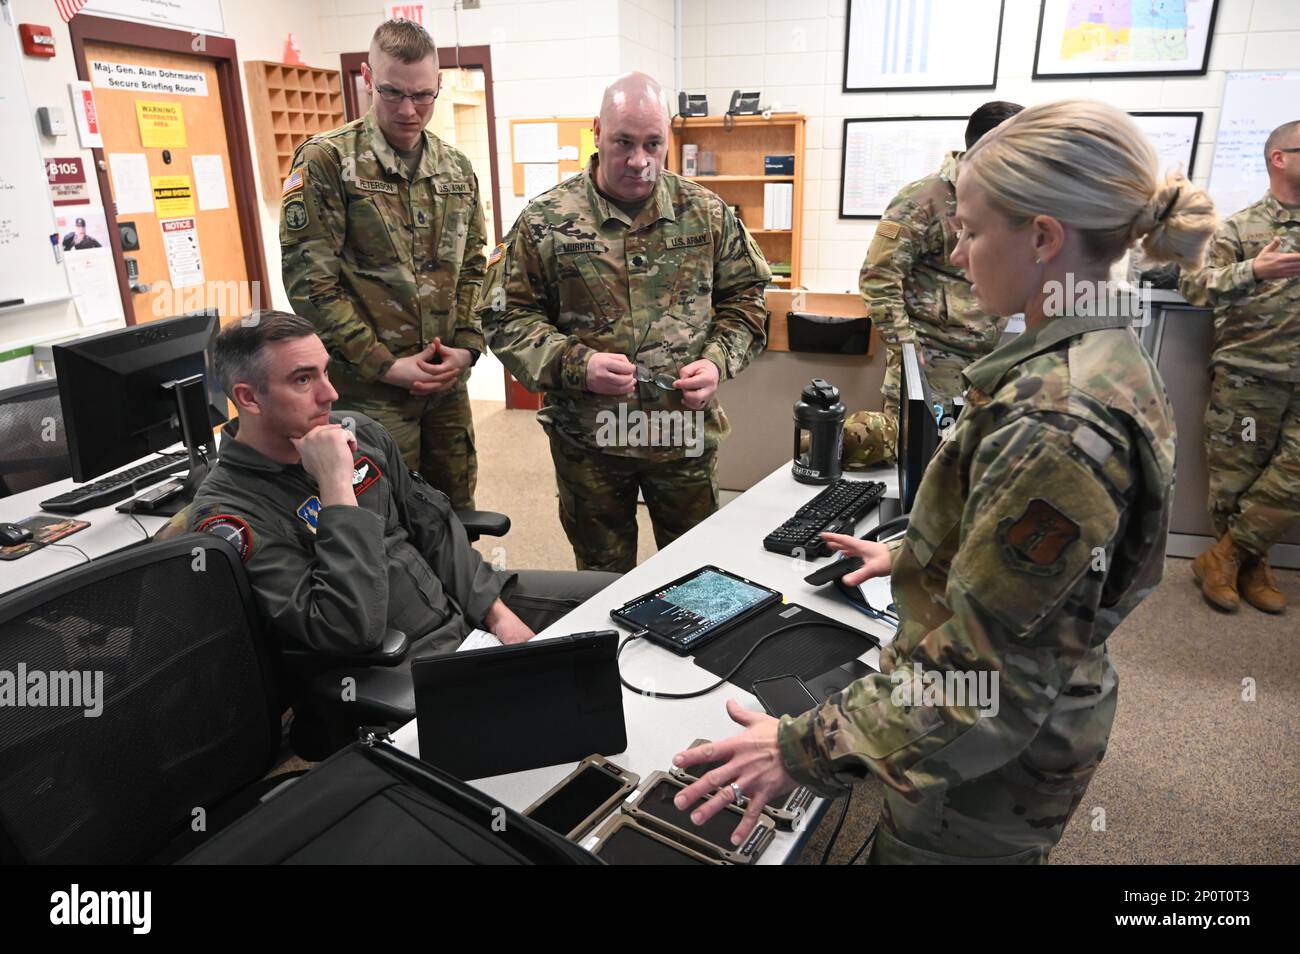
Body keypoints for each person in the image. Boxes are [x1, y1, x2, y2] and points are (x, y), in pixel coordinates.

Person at [673, 100, 1216, 864]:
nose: (958, 256)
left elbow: (983, 681)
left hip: (992, 767)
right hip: (1014, 724)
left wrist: (799, 750)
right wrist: (922, 556)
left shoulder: (1055, 421)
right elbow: (1054, 577)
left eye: (970, 232)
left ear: (1042, 237)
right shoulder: (1100, 353)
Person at [177, 311, 617, 656]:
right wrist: (336, 492)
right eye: (303, 379)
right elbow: (348, 629)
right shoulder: (230, 516)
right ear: (248, 397)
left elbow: (435, 526)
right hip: (404, 658)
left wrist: (496, 614)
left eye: (325, 372)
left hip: (463, 608)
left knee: (625, 602)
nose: (329, 395)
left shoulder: (361, 432)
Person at [476, 72, 770, 573]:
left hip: (681, 436)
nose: (639, 161)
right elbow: (504, 318)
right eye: (624, 143)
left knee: (698, 577)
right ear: (596, 131)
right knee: (602, 581)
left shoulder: (706, 214)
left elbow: (747, 301)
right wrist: (575, 364)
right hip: (592, 444)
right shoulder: (546, 220)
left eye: (653, 144)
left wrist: (718, 362)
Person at [281, 19, 486, 511]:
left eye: (425, 95)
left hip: (446, 387)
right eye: (394, 92)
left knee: (454, 515)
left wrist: (468, 348)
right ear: (368, 78)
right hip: (369, 391)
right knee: (382, 521)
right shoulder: (327, 162)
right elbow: (312, 286)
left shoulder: (455, 168)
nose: (410, 110)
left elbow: (477, 267)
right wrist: (386, 365)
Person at [841, 101, 1022, 469]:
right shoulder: (924, 200)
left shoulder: (1001, 199)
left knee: (962, 472)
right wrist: (908, 349)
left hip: (981, 361)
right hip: (931, 361)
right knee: (923, 469)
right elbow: (878, 278)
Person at [1179, 119, 1300, 614]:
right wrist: (1254, 270)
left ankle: (1224, 556)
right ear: (1280, 158)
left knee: (1293, 477)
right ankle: (1248, 566)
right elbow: (1194, 285)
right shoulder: (1239, 226)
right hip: (1252, 373)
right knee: (1235, 481)